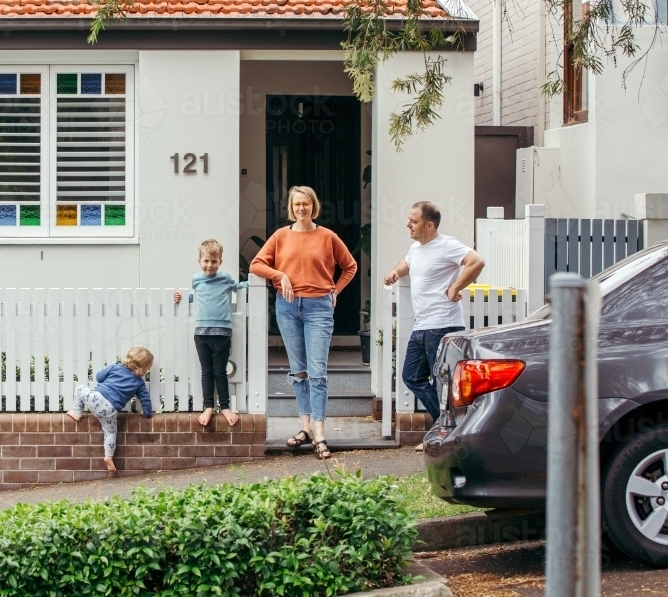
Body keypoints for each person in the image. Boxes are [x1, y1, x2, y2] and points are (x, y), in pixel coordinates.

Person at [250, 186, 357, 460]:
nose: (301, 208)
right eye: (297, 204)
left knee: (317, 371)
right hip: (287, 308)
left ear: (313, 206)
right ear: (291, 207)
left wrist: (335, 291)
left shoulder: (327, 236)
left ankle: (320, 434)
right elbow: (256, 265)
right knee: (299, 372)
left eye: (306, 204)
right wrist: (280, 275)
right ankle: (305, 429)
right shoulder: (280, 236)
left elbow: (350, 266)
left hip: (318, 307)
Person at [383, 201, 484, 450]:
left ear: (429, 224)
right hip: (423, 325)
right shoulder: (416, 248)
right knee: (411, 376)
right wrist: (395, 271)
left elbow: (476, 261)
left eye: (413, 221)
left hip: (443, 325)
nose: (408, 224)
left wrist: (455, 287)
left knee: (443, 383)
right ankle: (446, 427)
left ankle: (446, 433)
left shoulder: (446, 245)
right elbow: (407, 263)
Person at [173, 238, 249, 427]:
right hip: (201, 333)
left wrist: (256, 282)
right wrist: (182, 297)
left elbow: (239, 287)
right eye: (206, 261)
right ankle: (208, 406)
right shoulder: (196, 279)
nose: (210, 265)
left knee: (220, 372)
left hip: (222, 332)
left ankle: (224, 407)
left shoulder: (225, 278)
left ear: (220, 262)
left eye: (214, 261)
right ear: (199, 261)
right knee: (206, 372)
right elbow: (196, 297)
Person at [67, 346, 154, 473]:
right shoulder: (139, 383)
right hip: (110, 410)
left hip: (95, 399)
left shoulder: (116, 367)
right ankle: (108, 456)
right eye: (148, 368)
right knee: (110, 433)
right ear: (142, 368)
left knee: (80, 388)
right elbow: (145, 400)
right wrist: (147, 414)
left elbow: (99, 378)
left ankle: (77, 413)